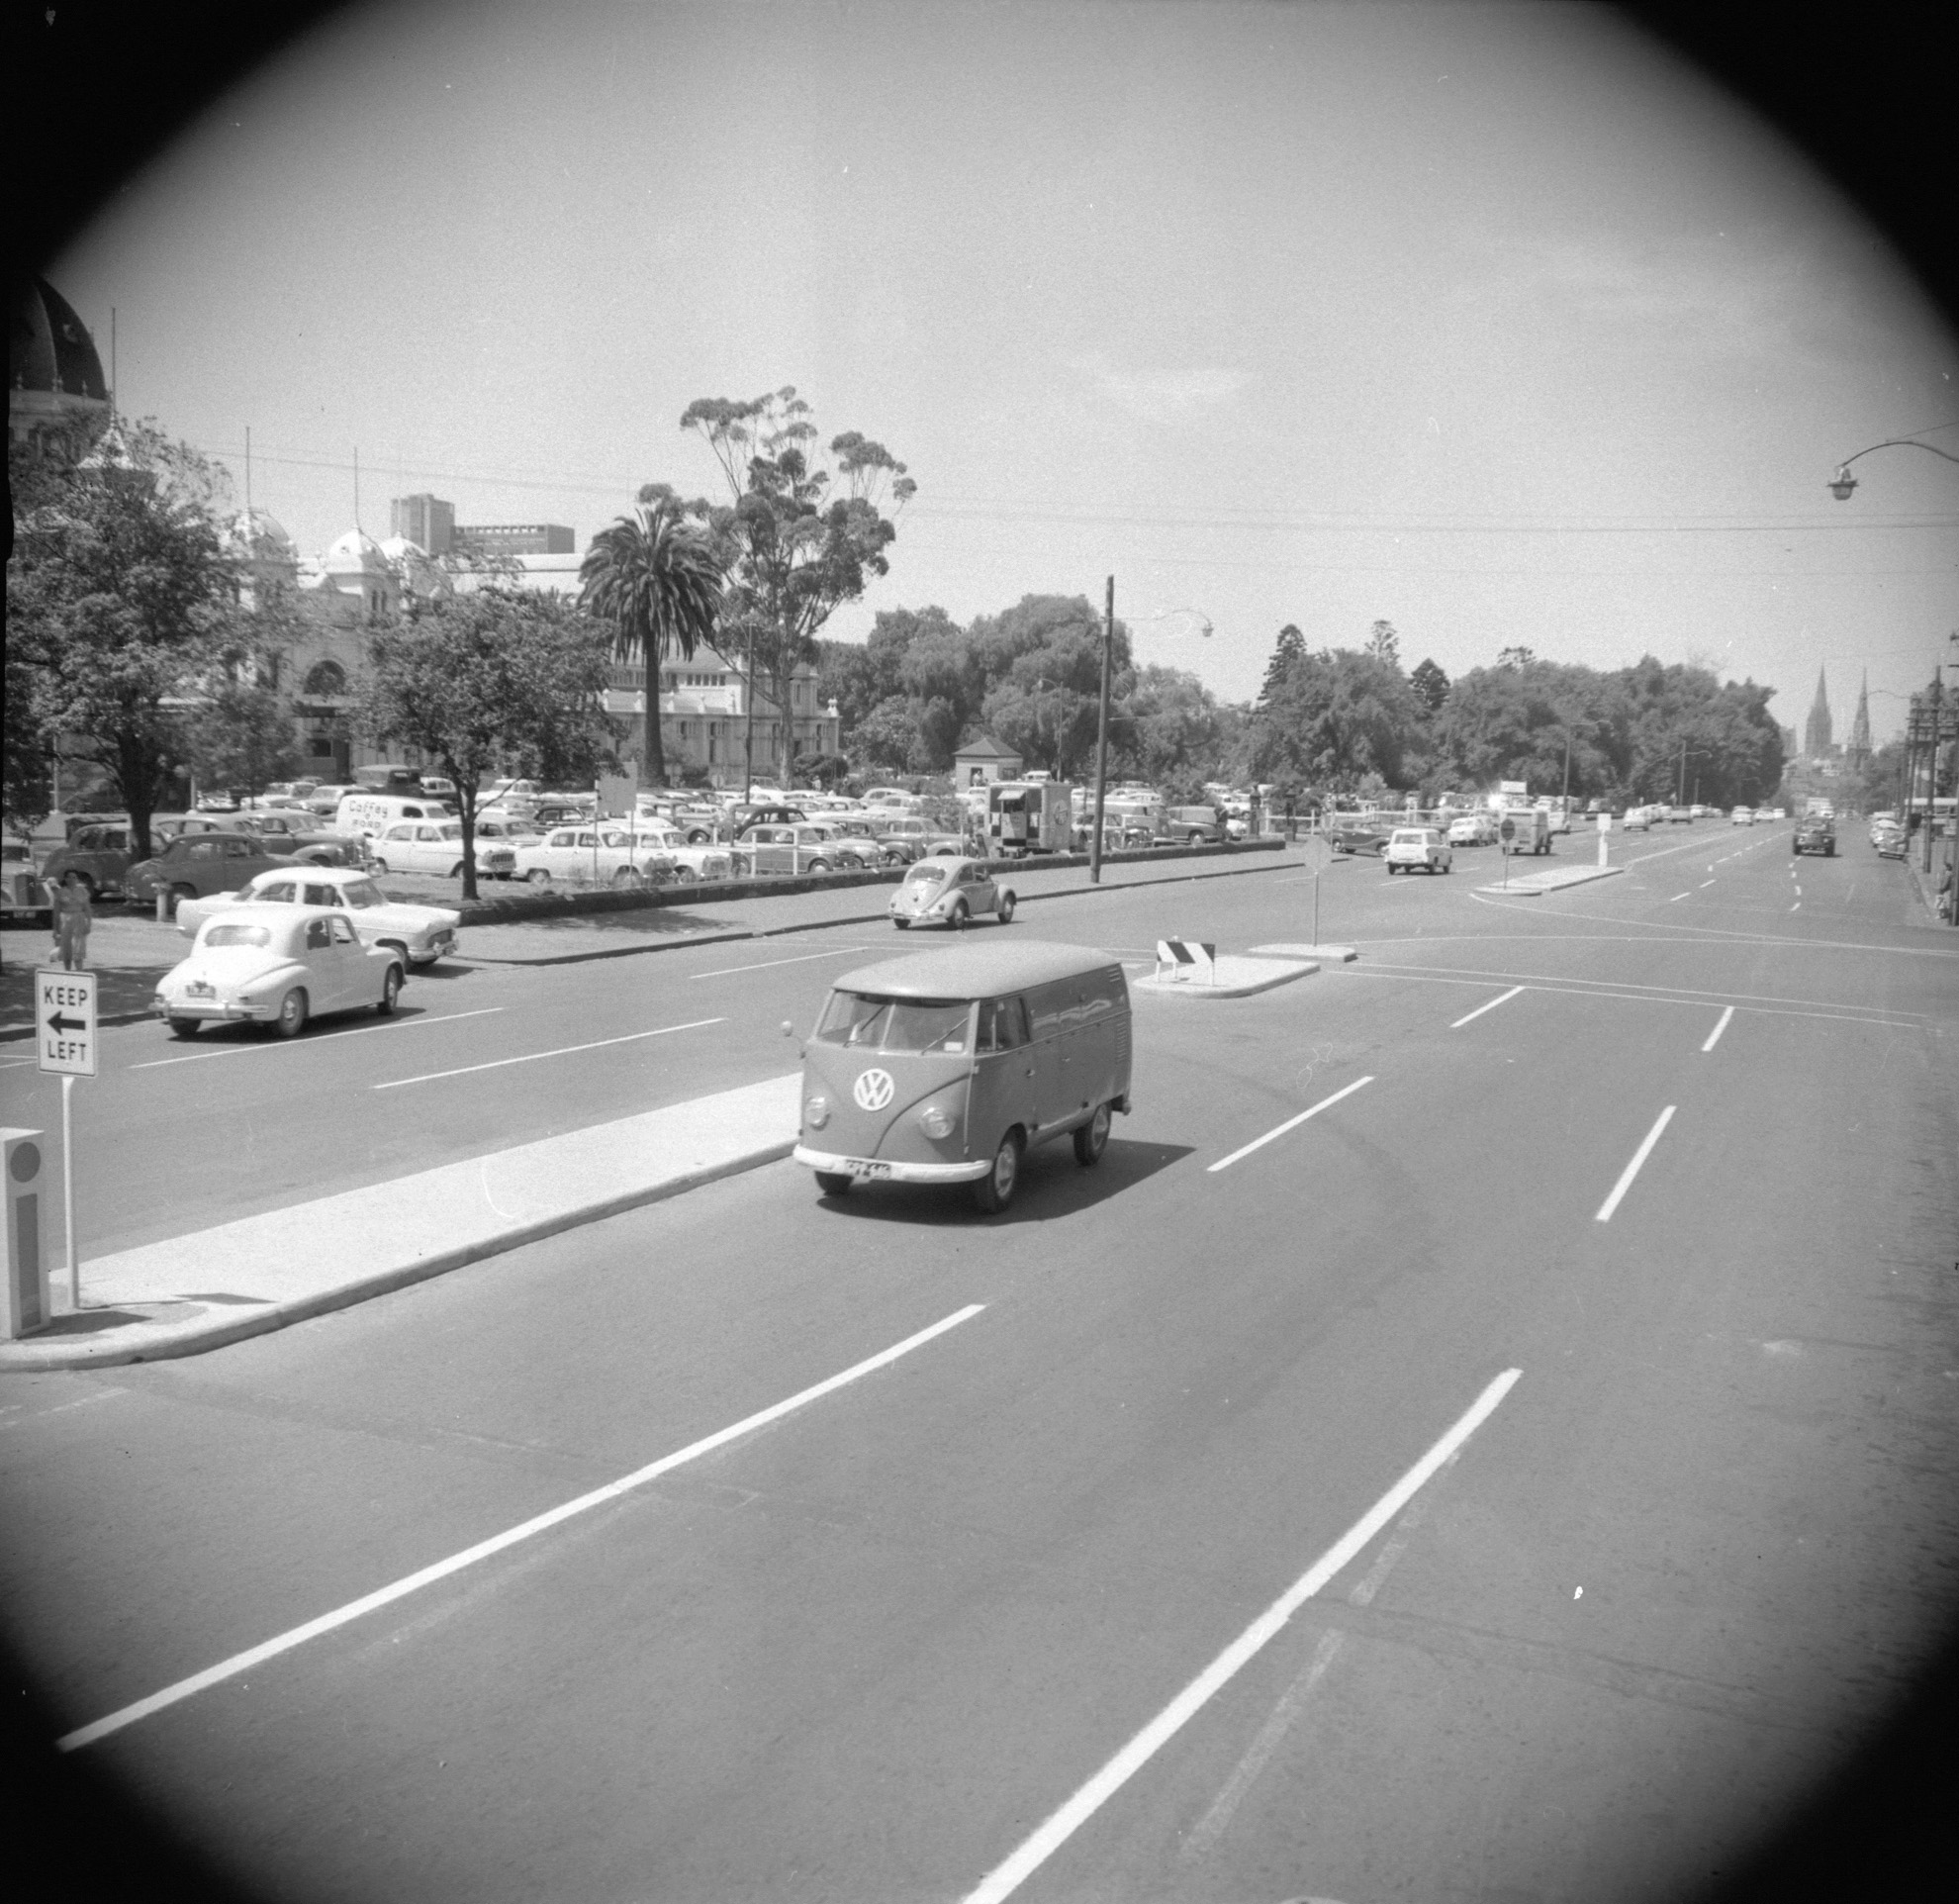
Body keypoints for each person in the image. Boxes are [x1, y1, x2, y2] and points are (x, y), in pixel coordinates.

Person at [51, 869, 92, 970]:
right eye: (69, 877)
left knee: (78, 946)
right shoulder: (60, 892)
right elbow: (56, 912)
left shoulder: (83, 891)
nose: (72, 879)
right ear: (65, 879)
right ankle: (68, 972)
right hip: (65, 920)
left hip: (79, 919)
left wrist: (88, 924)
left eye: (74, 877)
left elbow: (87, 909)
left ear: (77, 879)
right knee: (66, 947)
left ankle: (80, 972)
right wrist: (55, 929)